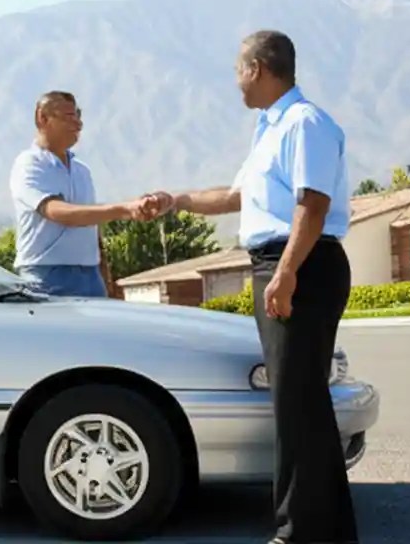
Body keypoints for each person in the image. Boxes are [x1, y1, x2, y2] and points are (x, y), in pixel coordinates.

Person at [140, 31, 358, 544]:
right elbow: (236, 195)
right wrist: (178, 200)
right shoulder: (269, 128)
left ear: (258, 68)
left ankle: (298, 531)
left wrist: (285, 273)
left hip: (302, 264)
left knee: (295, 402)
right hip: (283, 262)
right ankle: (323, 529)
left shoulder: (305, 124)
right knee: (299, 400)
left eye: (239, 70)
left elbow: (313, 205)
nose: (236, 81)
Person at [8, 90, 144, 298]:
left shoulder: (81, 170)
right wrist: (124, 209)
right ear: (43, 118)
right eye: (69, 117)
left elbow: (92, 230)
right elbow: (57, 211)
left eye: (78, 116)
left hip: (90, 276)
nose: (78, 124)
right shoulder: (30, 165)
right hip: (47, 277)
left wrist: (105, 278)